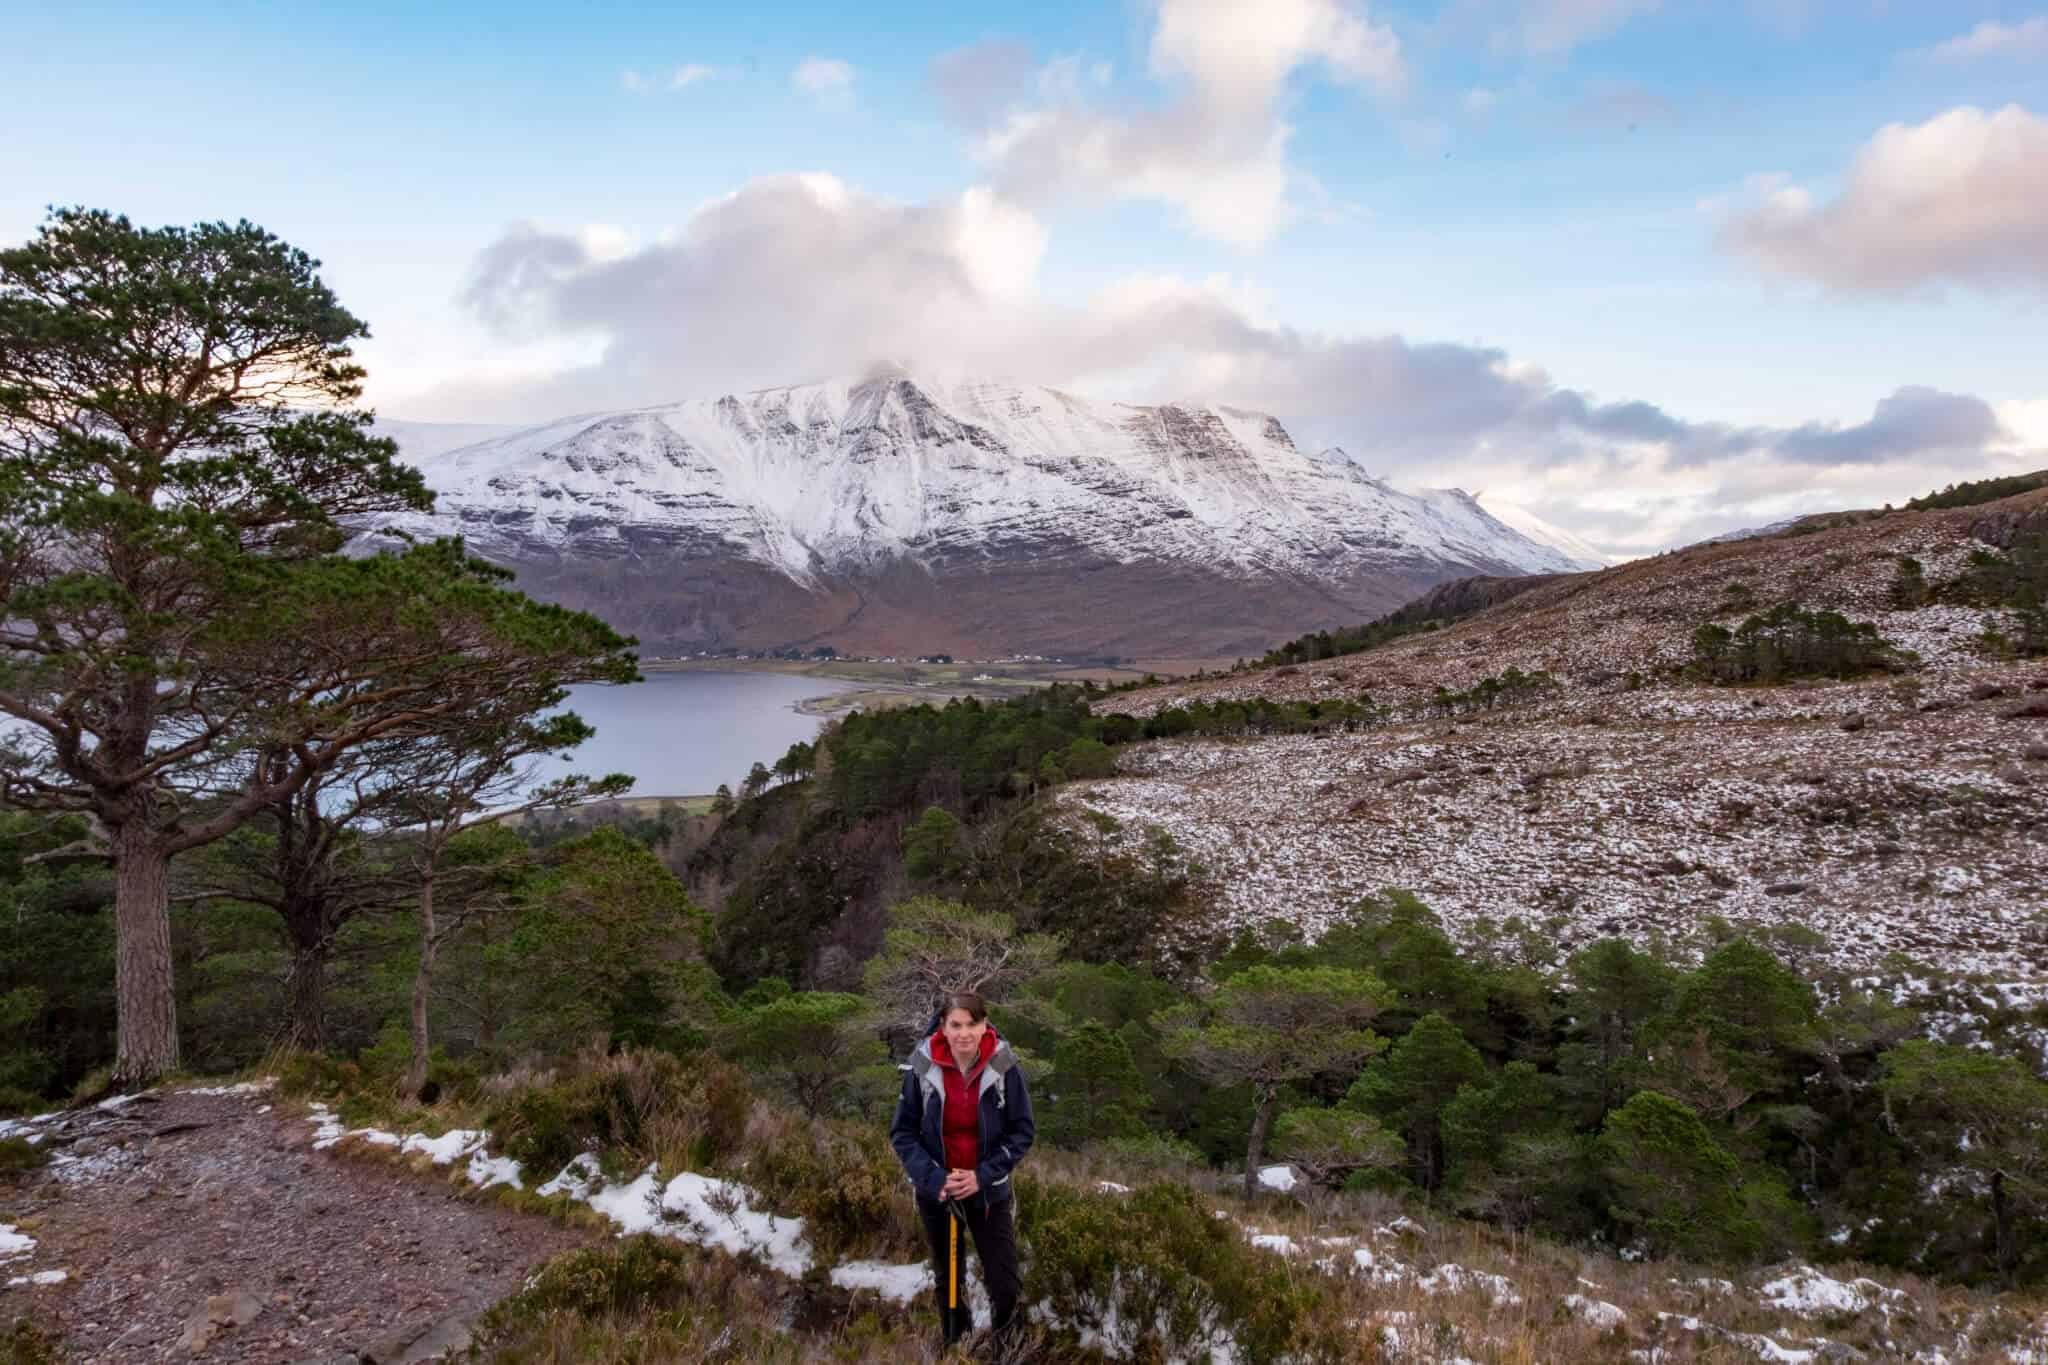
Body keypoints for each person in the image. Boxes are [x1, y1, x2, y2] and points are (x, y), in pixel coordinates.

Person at [889, 990, 1035, 1351]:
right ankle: (957, 1346)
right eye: (956, 1025)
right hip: (938, 1191)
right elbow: (903, 1132)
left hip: (988, 1190)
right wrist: (935, 1179)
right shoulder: (922, 1066)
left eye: (972, 1024)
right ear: (943, 1026)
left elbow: (1022, 1131)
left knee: (1004, 1282)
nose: (964, 1034)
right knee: (948, 1280)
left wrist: (981, 1176)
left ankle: (1009, 1350)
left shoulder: (1003, 1066)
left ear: (985, 1026)